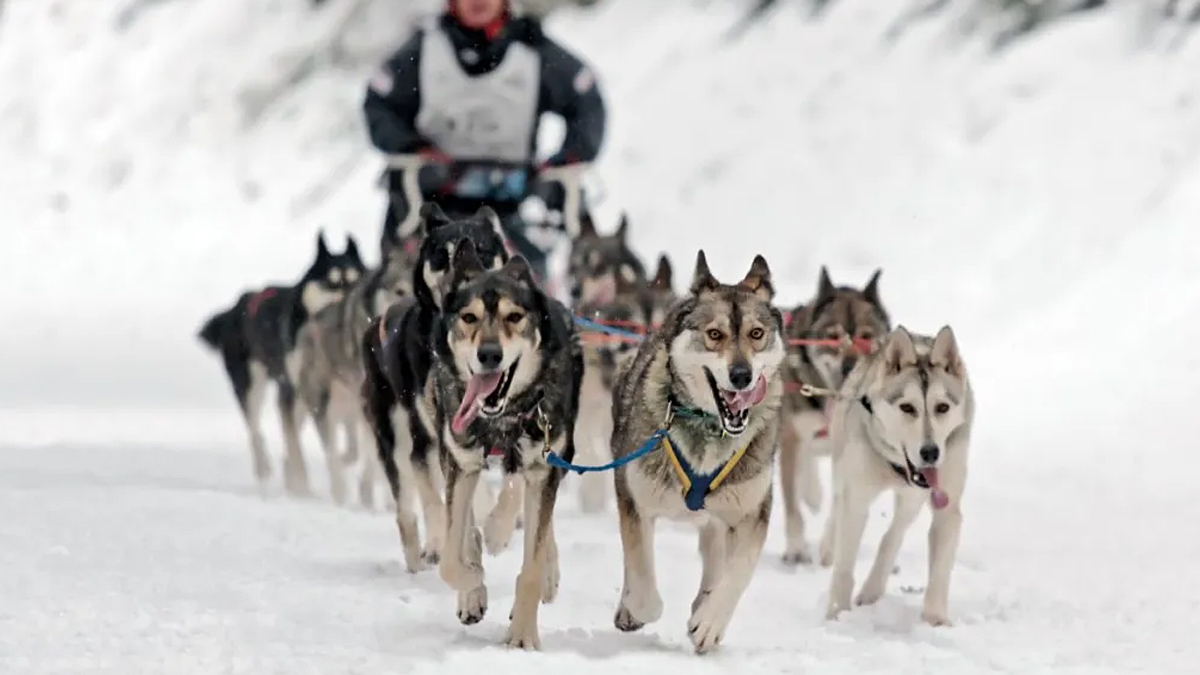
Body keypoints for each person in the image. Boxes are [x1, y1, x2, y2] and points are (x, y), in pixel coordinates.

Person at [363, 0, 607, 280]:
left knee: (532, 284)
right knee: (402, 284)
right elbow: (379, 104)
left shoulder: (535, 51)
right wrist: (410, 147)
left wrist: (570, 156)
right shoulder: (423, 50)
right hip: (432, 205)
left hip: (514, 208)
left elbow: (587, 102)